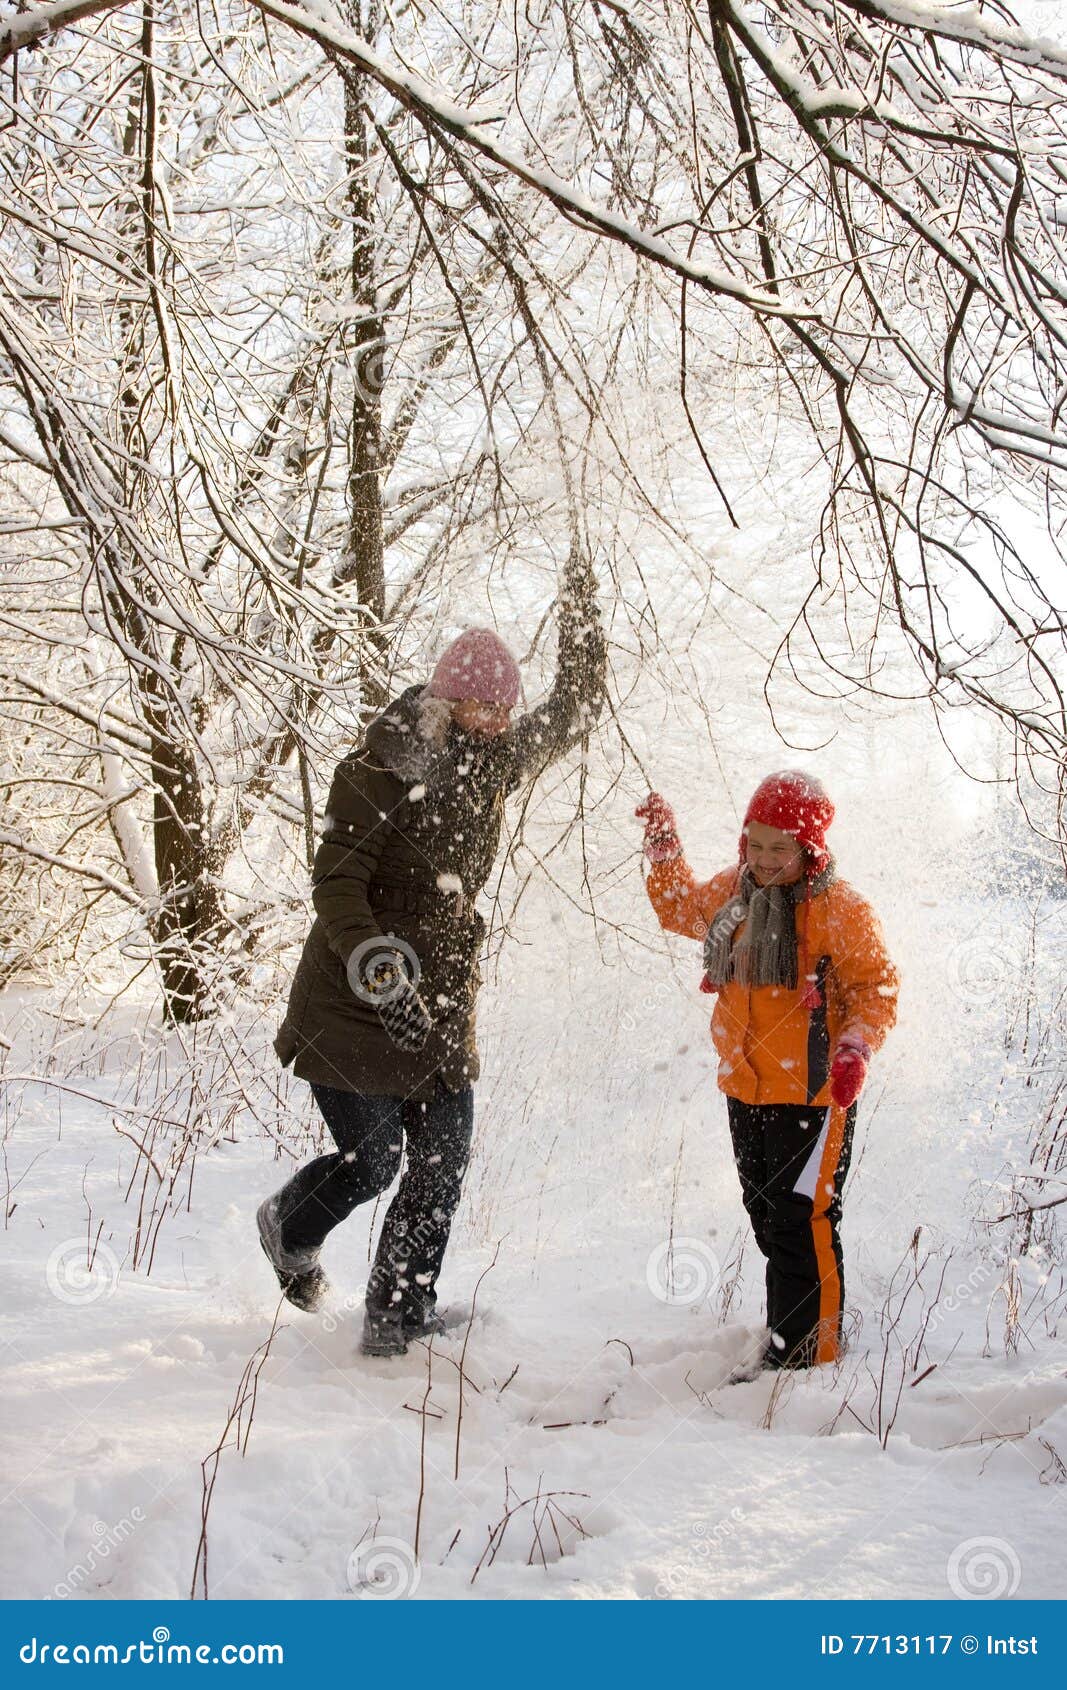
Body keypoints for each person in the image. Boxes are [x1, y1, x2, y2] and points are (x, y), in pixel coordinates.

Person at [262, 574, 605, 1357]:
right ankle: (289, 1225)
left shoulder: (496, 758)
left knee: (442, 1159)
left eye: (504, 710)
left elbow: (573, 712)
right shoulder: (380, 767)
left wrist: (582, 615)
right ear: (446, 700)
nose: (496, 723)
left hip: (443, 996)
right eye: (483, 708)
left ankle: (396, 1313)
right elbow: (336, 884)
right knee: (375, 1159)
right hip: (356, 992)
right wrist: (381, 972)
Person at [637, 771, 899, 1372]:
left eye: (780, 847)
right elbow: (679, 908)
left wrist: (854, 1049)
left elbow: (875, 988)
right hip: (746, 1087)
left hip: (812, 1091)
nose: (765, 859)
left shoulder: (841, 910)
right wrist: (663, 849)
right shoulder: (734, 893)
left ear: (810, 848)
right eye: (755, 844)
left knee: (800, 1221)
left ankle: (809, 1357)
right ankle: (790, 1340)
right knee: (766, 1215)